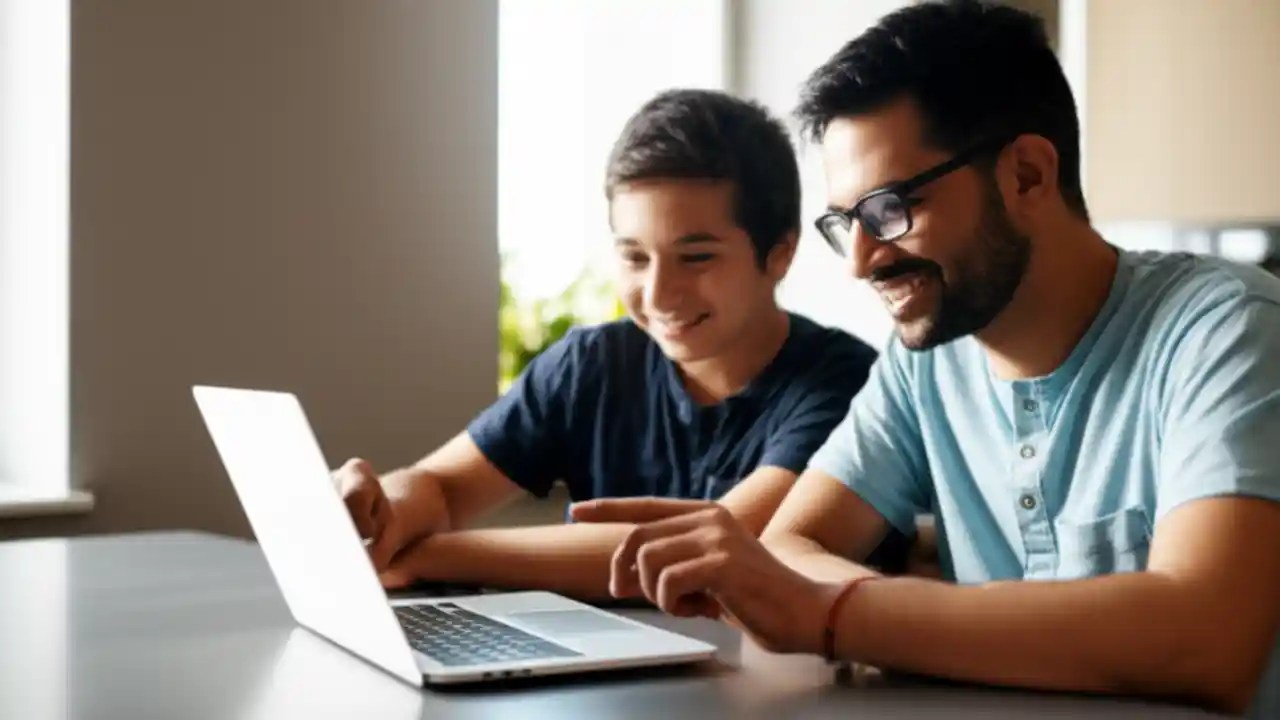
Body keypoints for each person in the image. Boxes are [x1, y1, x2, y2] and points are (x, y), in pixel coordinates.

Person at [572, 2, 1280, 715]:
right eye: (845, 223)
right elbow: (792, 542)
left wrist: (832, 615)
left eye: (887, 211)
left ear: (1028, 175)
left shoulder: (1224, 329)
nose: (858, 262)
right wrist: (824, 598)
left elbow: (1205, 637)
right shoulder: (927, 363)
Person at [334, 89, 880, 600]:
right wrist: (385, 514)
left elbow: (711, 549)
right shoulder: (591, 364)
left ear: (779, 254)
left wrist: (430, 555)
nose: (659, 294)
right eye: (635, 257)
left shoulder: (846, 382)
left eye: (696, 257)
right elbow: (441, 486)